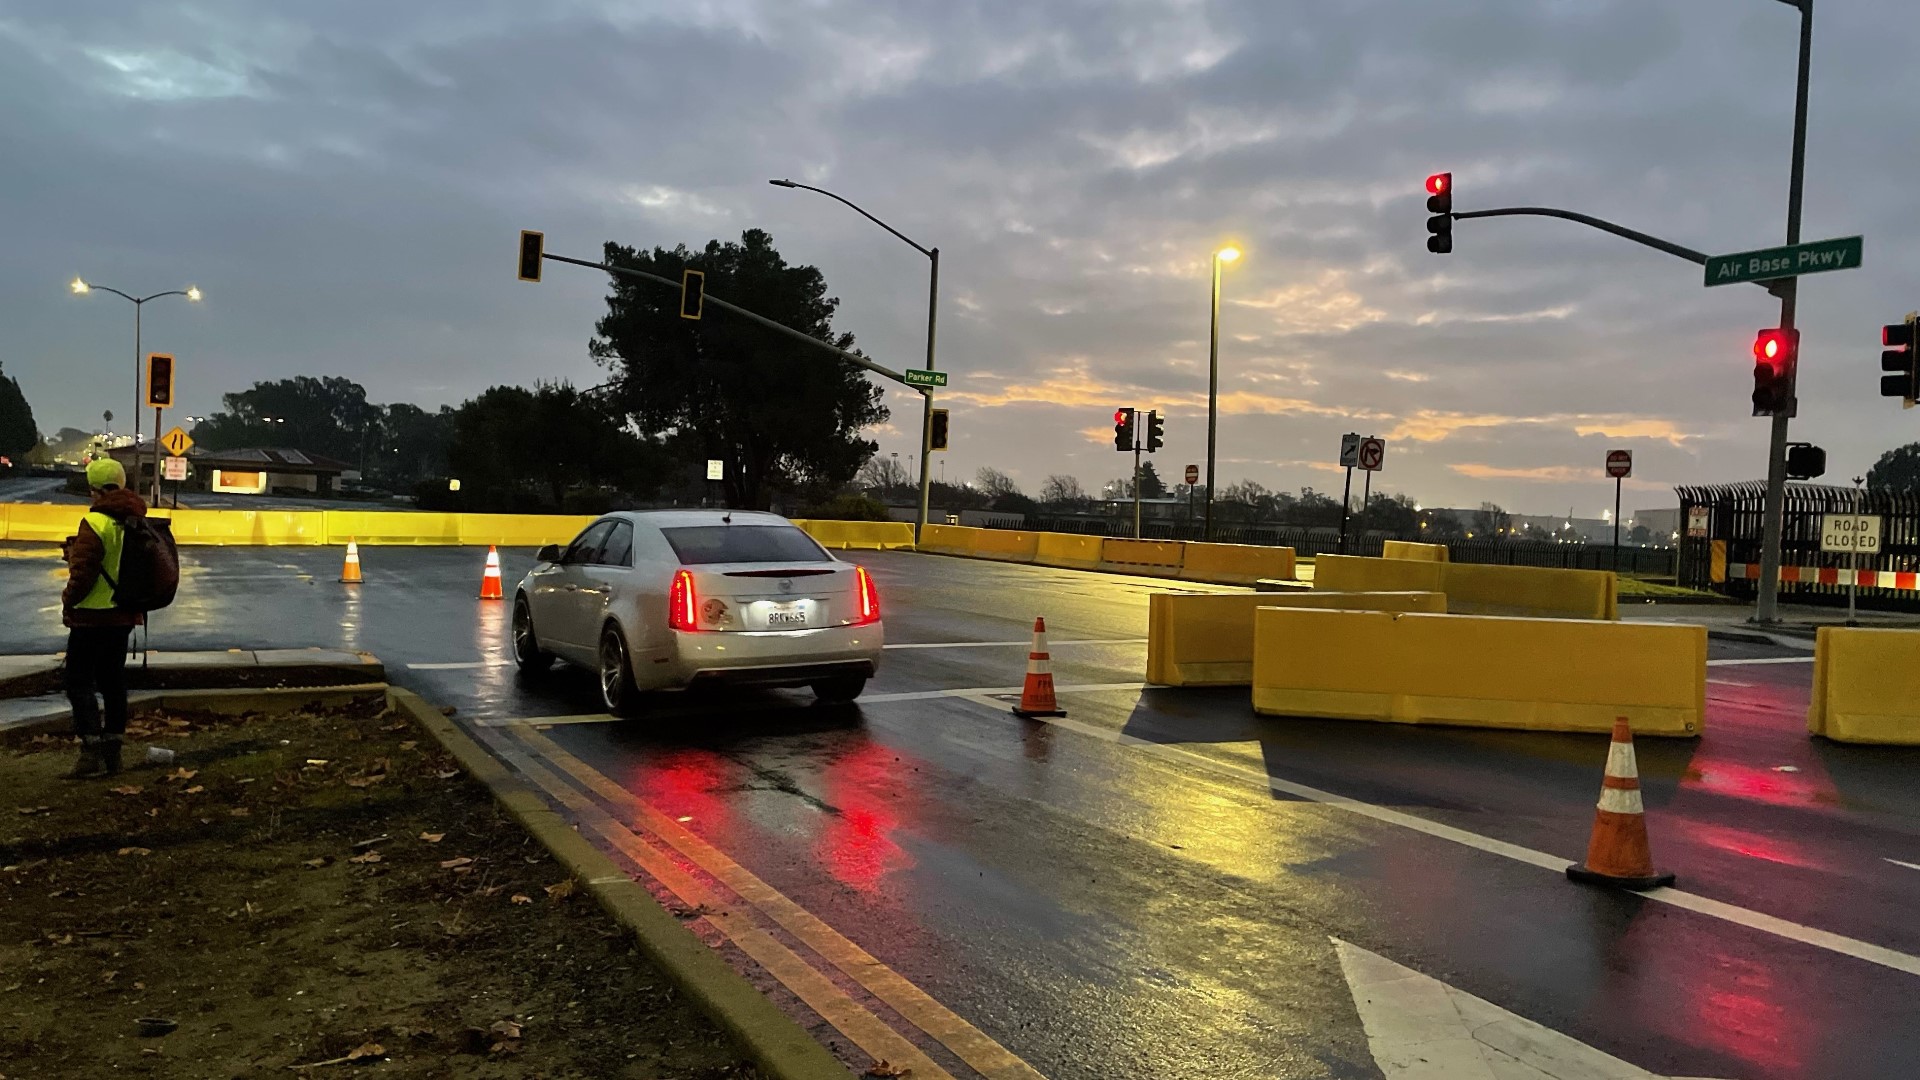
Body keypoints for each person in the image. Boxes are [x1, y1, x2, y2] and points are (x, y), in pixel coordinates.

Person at [60, 458, 147, 779]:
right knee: (113, 681)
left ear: (95, 490)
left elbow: (83, 574)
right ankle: (113, 751)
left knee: (78, 681)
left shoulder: (94, 523)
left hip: (90, 618)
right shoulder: (136, 520)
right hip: (123, 615)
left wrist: (68, 600)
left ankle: (90, 749)